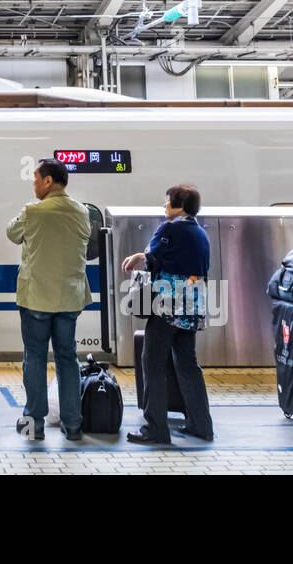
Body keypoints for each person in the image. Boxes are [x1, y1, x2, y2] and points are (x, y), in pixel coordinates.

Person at [121, 184, 214, 445]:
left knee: (152, 362)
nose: (164, 206)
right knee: (187, 365)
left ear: (179, 206)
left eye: (167, 202)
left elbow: (154, 257)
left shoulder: (169, 228)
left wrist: (140, 255)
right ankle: (201, 425)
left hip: (168, 304)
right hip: (194, 305)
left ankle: (156, 429)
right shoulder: (200, 232)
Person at [6, 158, 92, 442]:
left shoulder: (33, 212)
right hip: (69, 299)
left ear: (48, 181)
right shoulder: (81, 212)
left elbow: (12, 233)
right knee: (68, 358)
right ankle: (73, 424)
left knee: (35, 357)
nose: (33, 183)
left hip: (37, 300)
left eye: (35, 178)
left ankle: (35, 423)